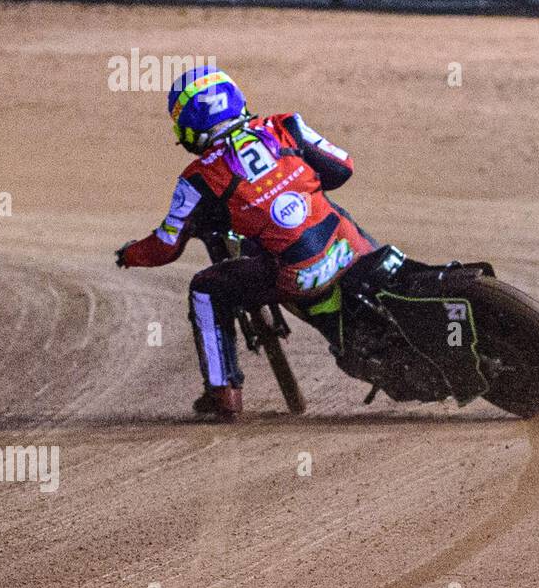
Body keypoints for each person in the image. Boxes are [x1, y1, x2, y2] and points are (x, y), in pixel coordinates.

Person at [115, 66, 386, 419]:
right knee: (331, 211)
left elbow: (165, 247)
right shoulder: (286, 125)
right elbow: (343, 167)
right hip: (350, 247)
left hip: (296, 277)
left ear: (188, 129)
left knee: (205, 289)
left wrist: (130, 254)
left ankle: (223, 392)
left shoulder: (197, 179)